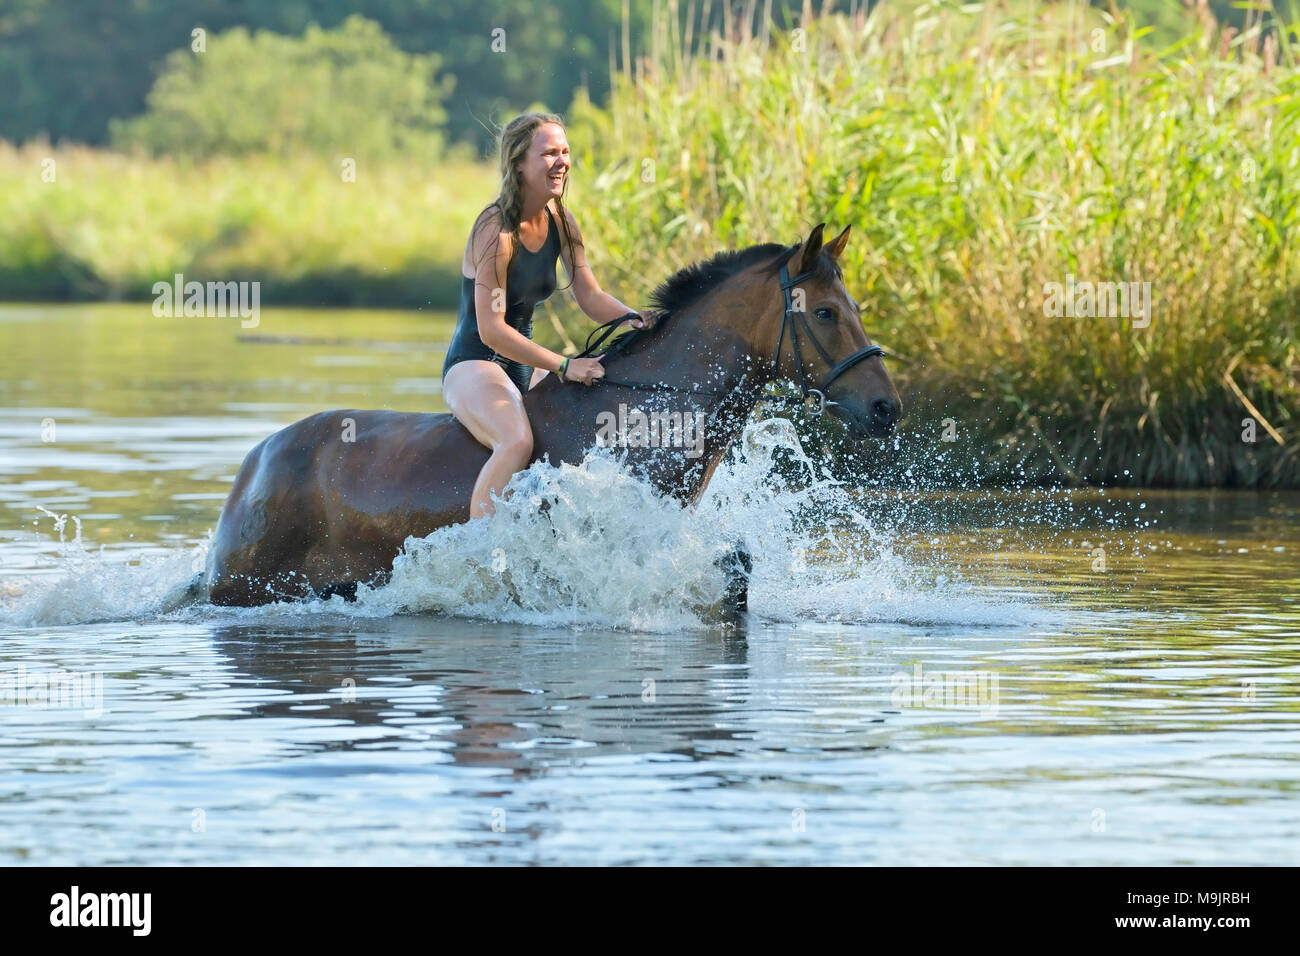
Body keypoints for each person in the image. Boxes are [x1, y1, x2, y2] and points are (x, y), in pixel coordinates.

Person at [441, 111, 645, 519]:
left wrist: (640, 321)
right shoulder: (495, 230)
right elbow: (492, 330)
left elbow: (591, 297)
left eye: (565, 152)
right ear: (519, 163)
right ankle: (480, 552)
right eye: (549, 152)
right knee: (516, 443)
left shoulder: (562, 221)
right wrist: (566, 365)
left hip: (522, 366)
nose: (562, 161)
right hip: (475, 363)